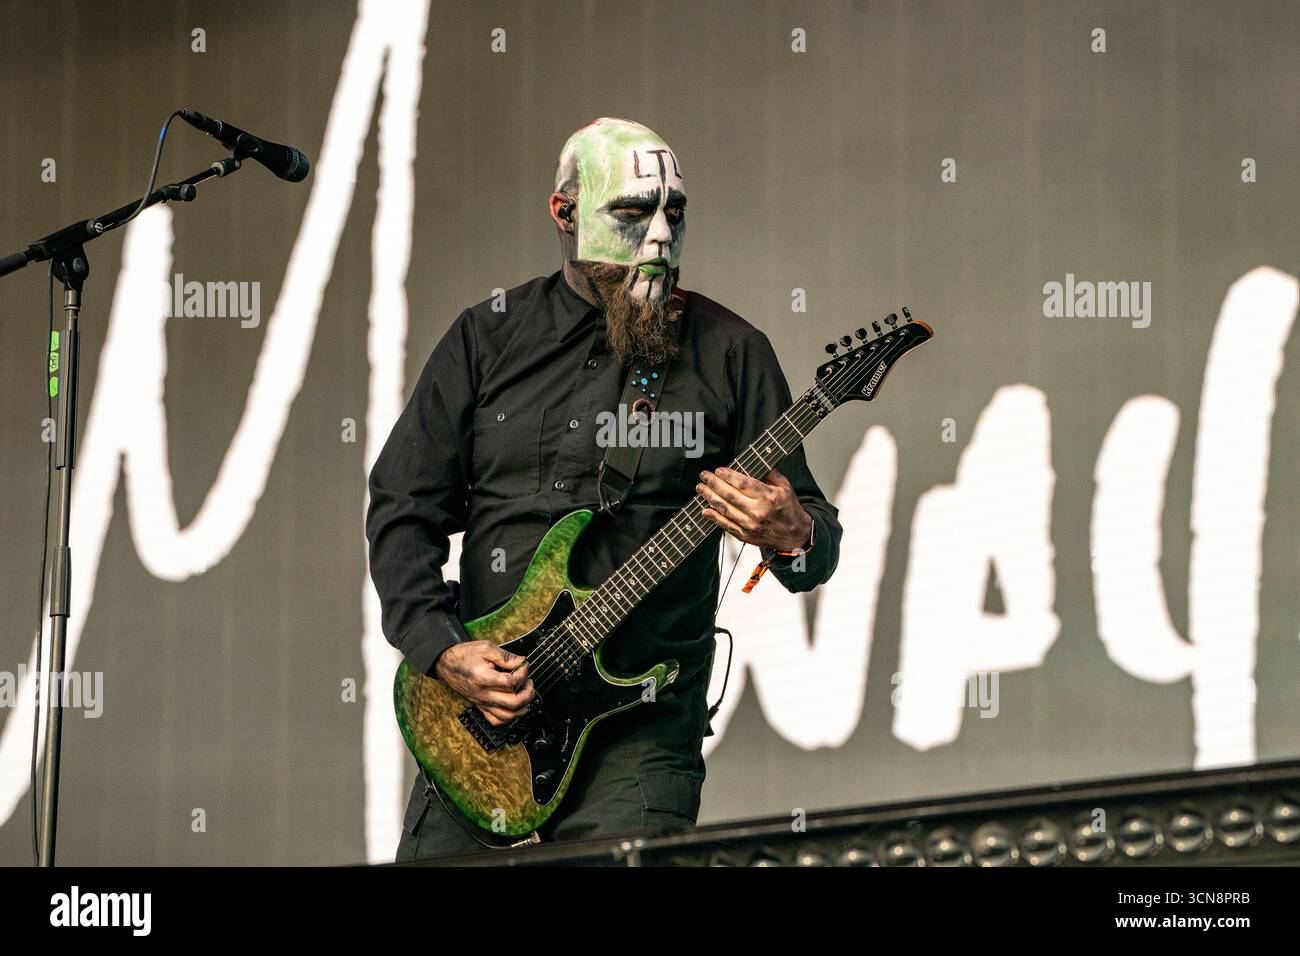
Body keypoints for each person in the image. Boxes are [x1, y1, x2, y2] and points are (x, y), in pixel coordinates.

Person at [366, 117, 842, 860]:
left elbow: (812, 538)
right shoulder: (486, 338)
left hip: (639, 730)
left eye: (674, 213)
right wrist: (441, 647)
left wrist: (794, 535)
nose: (660, 237)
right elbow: (404, 504)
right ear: (565, 214)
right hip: (485, 722)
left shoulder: (731, 352)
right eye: (632, 213)